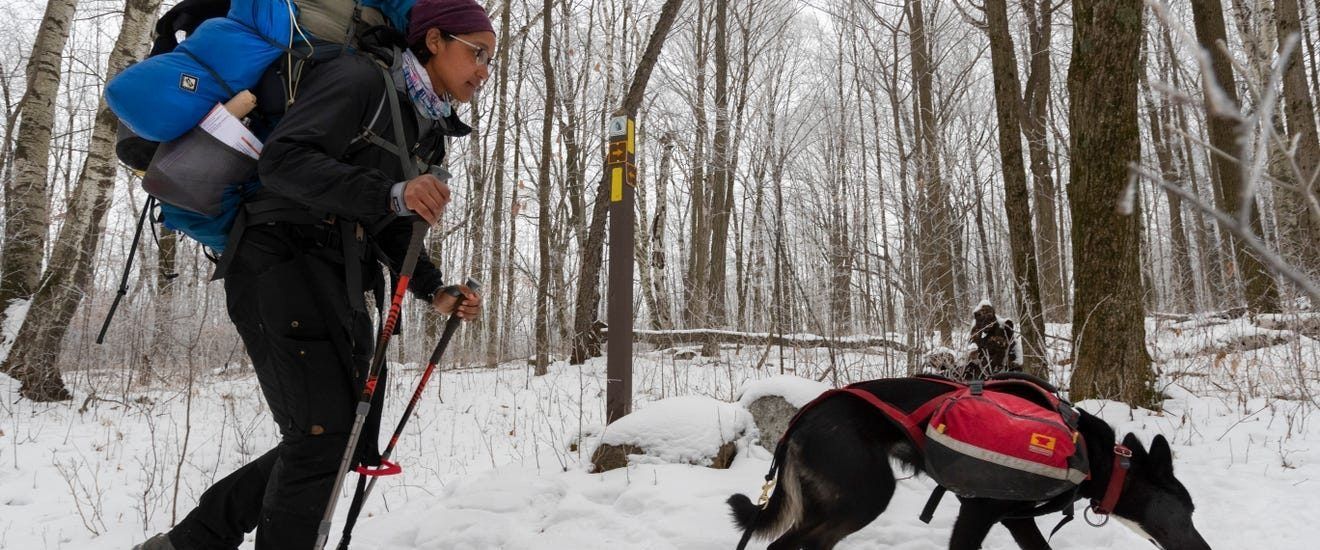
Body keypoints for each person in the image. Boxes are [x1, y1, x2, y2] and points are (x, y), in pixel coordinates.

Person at [135, 1, 494, 548]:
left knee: (338, 441)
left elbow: (386, 217)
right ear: (434, 40)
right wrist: (392, 192)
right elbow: (283, 162)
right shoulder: (359, 79)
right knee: (321, 439)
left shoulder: (424, 124)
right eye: (477, 53)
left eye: (490, 61)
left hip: (337, 273)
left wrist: (433, 287)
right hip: (280, 258)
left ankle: (188, 544)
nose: (484, 71)